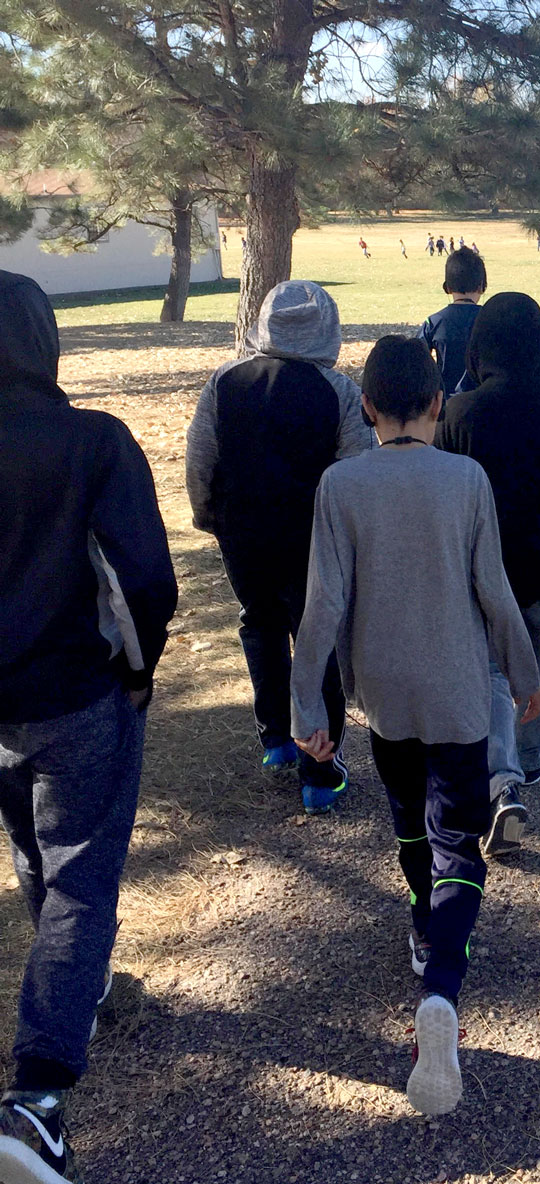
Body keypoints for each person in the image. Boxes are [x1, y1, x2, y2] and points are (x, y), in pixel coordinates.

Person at [290, 336, 540, 1117]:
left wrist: (306, 707)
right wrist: (526, 676)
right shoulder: (465, 479)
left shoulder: (340, 484)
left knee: (407, 823)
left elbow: (322, 607)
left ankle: (422, 928)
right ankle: (440, 991)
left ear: (366, 409)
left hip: (385, 694)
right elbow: (495, 593)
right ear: (437, 403)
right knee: (458, 840)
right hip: (460, 691)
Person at [0, 271, 178, 1184]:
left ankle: (74, 986)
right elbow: (145, 577)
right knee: (79, 877)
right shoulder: (93, 443)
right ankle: (36, 1097)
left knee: (36, 848)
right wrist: (140, 674)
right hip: (77, 695)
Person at [186, 280, 372, 814]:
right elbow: (354, 470)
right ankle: (320, 770)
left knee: (259, 625)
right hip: (310, 541)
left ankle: (275, 739)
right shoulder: (336, 390)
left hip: (243, 535)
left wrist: (208, 515)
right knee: (320, 645)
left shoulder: (225, 381)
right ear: (328, 327)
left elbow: (201, 457)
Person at [437, 294, 540, 855]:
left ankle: (501, 777)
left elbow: (445, 496)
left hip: (481, 571)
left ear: (477, 347)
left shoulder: (458, 414)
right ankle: (533, 752)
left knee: (490, 671)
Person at [420, 247, 486, 400]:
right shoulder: (491, 319)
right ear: (481, 286)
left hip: (445, 406)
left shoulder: (433, 322)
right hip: (483, 405)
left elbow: (417, 359)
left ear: (447, 287)